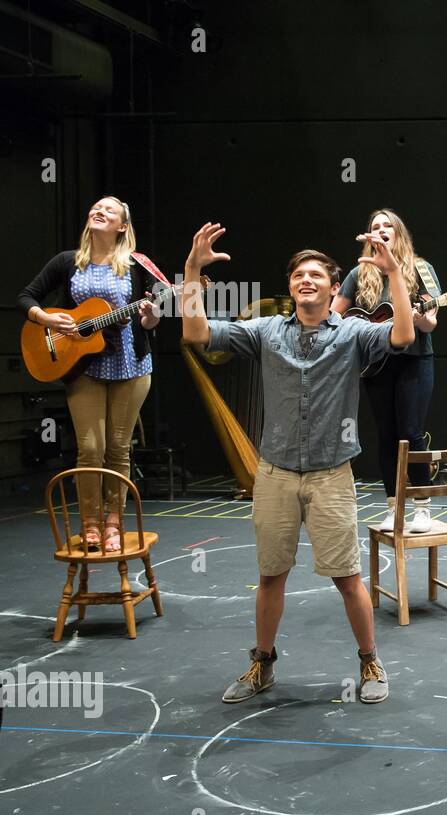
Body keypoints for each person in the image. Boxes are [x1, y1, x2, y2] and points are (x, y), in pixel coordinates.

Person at [180, 222, 415, 705]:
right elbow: (196, 333)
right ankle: (262, 664)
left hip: (332, 474)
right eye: (297, 276)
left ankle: (370, 658)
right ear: (290, 287)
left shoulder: (352, 333)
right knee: (270, 575)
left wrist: (393, 274)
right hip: (275, 475)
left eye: (315, 275)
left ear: (333, 286)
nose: (305, 280)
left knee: (348, 577)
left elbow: (404, 335)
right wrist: (190, 272)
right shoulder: (266, 332)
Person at [18, 196, 162, 553]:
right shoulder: (67, 262)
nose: (98, 212)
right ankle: (91, 524)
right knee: (90, 448)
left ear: (122, 226)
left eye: (108, 211)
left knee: (117, 449)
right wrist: (47, 318)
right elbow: (27, 296)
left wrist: (150, 316)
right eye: (95, 208)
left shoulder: (136, 264)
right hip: (83, 366)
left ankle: (114, 523)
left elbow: (151, 319)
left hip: (131, 365)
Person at [330, 209, 441, 534]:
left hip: (414, 358)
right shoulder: (357, 273)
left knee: (411, 431)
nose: (380, 230)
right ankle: (394, 508)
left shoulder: (421, 269)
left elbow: (431, 320)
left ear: (398, 234)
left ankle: (422, 508)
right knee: (386, 434)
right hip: (375, 362)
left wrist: (419, 316)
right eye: (374, 226)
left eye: (386, 226)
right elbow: (335, 317)